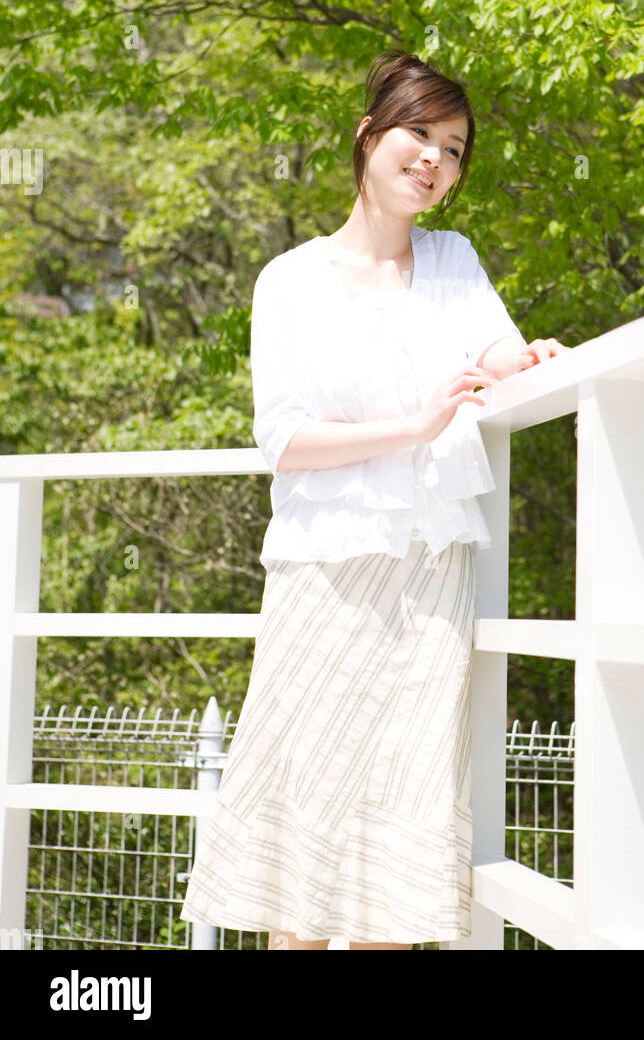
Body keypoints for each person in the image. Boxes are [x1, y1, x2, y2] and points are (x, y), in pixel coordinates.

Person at [180, 49, 568, 950]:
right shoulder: (290, 279)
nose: (436, 159)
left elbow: (495, 348)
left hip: (430, 572)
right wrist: (414, 426)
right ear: (369, 137)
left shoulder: (454, 258)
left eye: (456, 149)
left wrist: (530, 358)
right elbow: (285, 439)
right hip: (326, 573)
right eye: (420, 134)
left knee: (401, 832)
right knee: (306, 854)